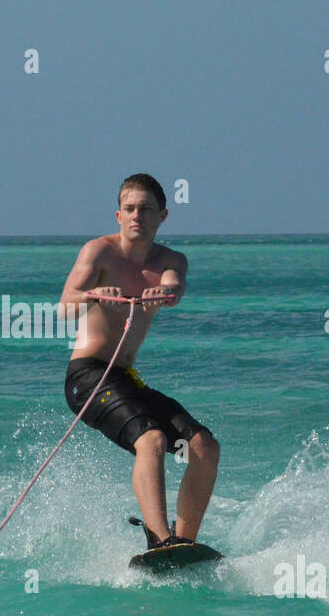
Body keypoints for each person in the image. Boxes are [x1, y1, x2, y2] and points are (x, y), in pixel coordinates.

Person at [59, 173, 220, 549]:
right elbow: (65, 306)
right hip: (88, 378)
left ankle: (183, 544)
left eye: (146, 209)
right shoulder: (98, 251)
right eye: (130, 209)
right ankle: (160, 539)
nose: (137, 217)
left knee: (204, 447)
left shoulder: (170, 260)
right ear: (118, 216)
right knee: (152, 439)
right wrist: (95, 294)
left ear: (162, 216)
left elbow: (175, 284)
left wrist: (165, 291)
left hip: (127, 379)